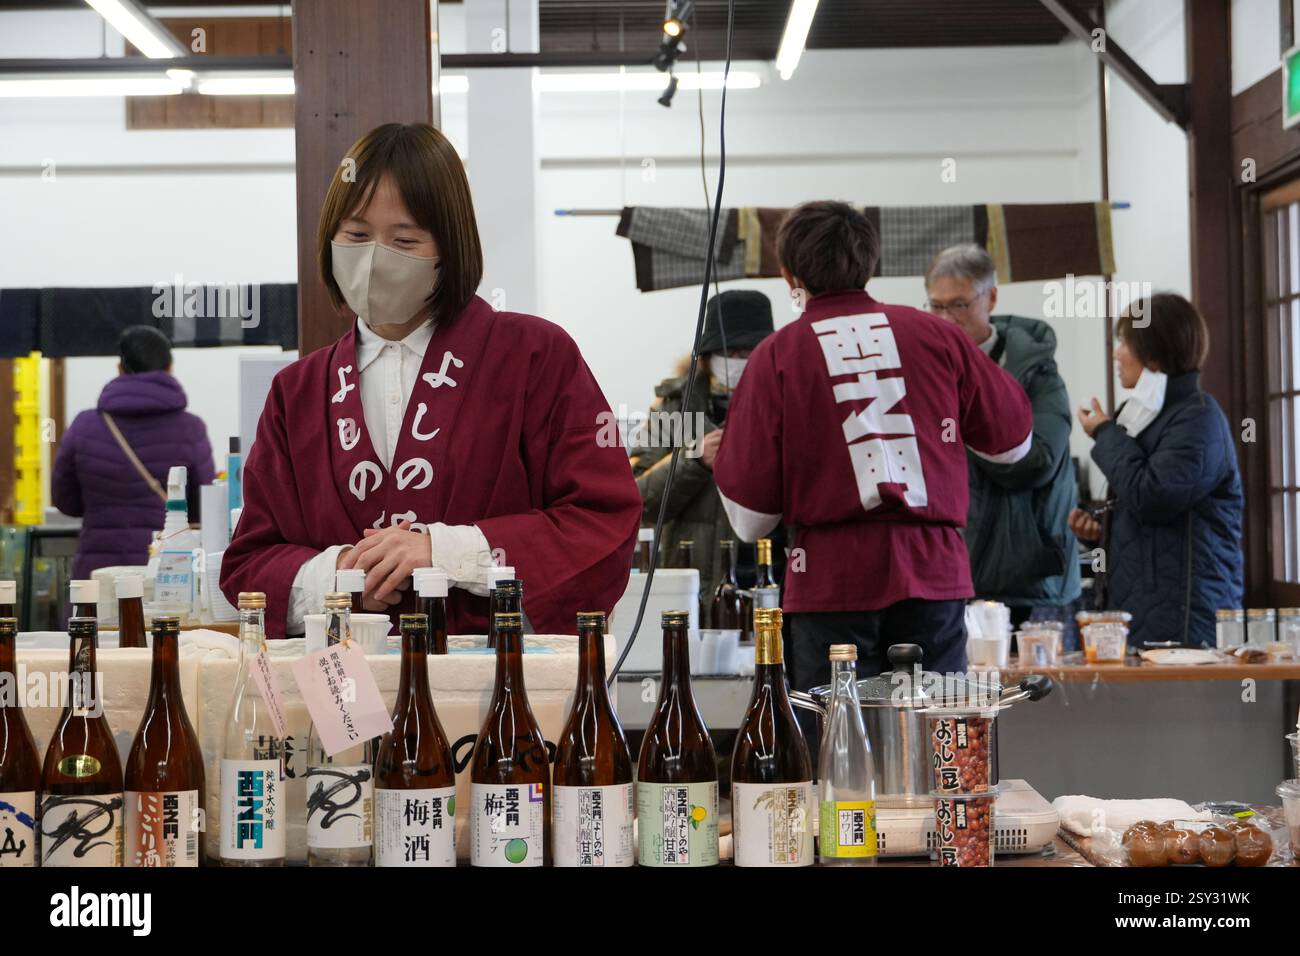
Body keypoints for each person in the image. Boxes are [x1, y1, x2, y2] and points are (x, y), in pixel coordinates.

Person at [220, 123, 641, 638]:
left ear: (450, 246)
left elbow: (601, 523)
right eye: (355, 235)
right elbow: (249, 566)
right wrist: (343, 575)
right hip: (343, 696)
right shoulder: (298, 391)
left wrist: (443, 552)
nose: (375, 257)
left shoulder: (535, 356)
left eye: (404, 240)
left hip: (498, 689)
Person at [713, 201, 1034, 688]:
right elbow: (1014, 444)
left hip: (831, 582)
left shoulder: (776, 356)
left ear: (788, 275)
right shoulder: (937, 336)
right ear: (871, 261)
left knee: (837, 746)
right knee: (935, 738)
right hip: (934, 570)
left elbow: (750, 519)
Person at [1071, 293, 1243, 648]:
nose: (1117, 353)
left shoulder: (1199, 417)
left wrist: (1104, 434)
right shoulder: (1142, 415)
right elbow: (1143, 507)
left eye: (1125, 342)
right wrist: (1100, 528)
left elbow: (1154, 497)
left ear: (1154, 355)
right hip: (1143, 607)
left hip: (1187, 616)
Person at [924, 244, 1080, 627]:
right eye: (936, 306)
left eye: (959, 305)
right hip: (952, 573)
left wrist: (964, 422)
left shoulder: (1036, 373)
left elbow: (1036, 462)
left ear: (990, 297)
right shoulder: (925, 370)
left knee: (1034, 687)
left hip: (1027, 573)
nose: (946, 319)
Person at [629, 290, 778, 602]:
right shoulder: (674, 407)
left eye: (749, 352)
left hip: (774, 580)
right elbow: (636, 500)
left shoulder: (786, 402)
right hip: (699, 590)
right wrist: (695, 459)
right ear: (707, 354)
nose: (738, 361)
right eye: (730, 351)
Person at [52, 325, 215, 579]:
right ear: (169, 369)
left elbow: (65, 501)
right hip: (166, 570)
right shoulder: (191, 429)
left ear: (120, 369)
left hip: (97, 571)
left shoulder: (84, 426)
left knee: (93, 619)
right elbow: (203, 506)